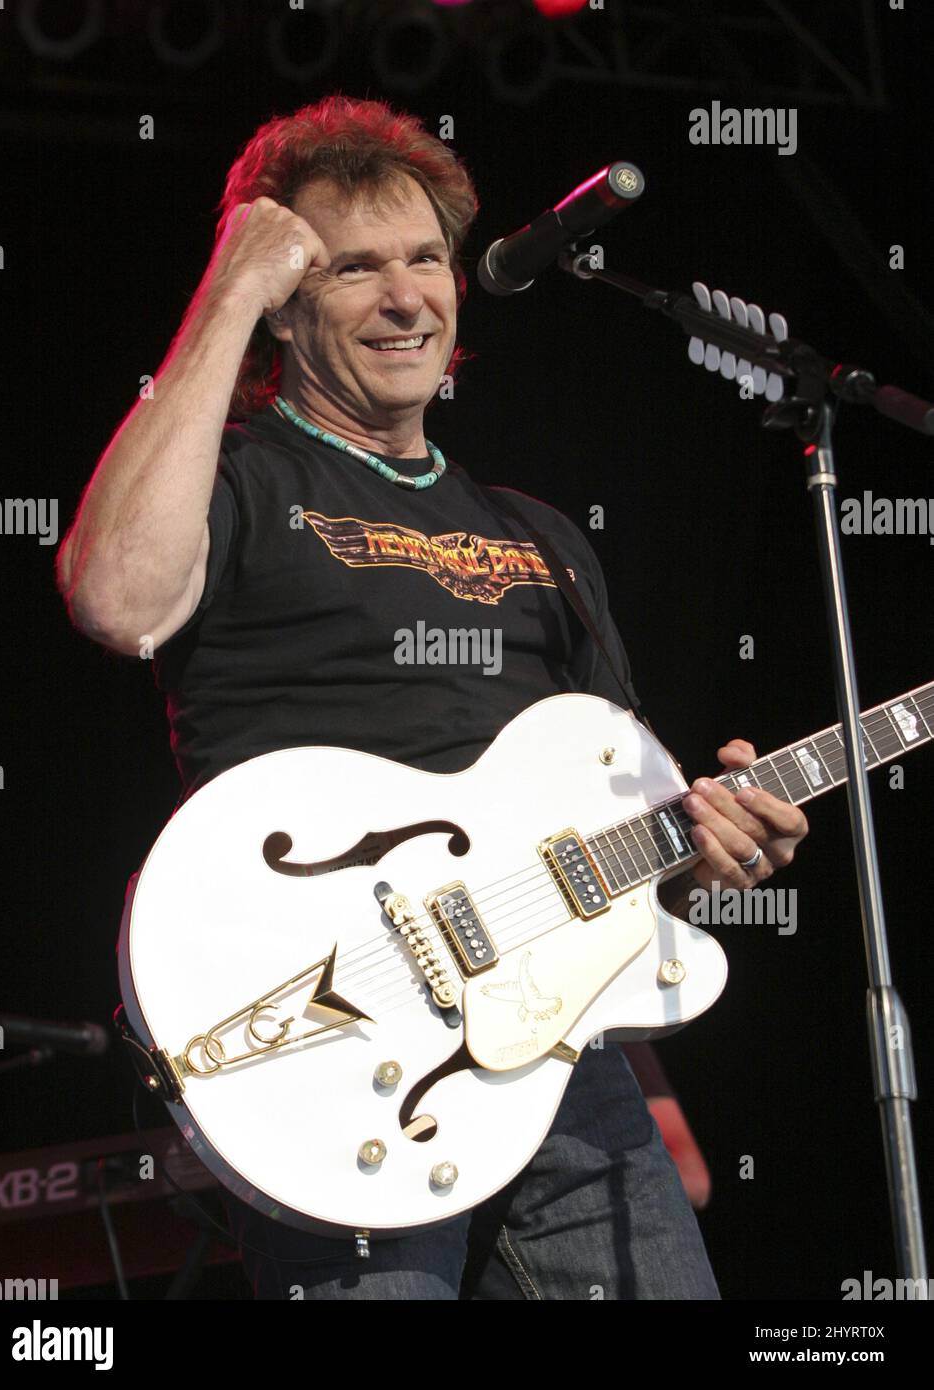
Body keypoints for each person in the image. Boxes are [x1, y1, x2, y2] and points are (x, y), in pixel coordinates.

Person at [56, 94, 808, 1300]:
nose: (406, 296)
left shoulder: (544, 536)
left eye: (424, 259)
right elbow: (117, 601)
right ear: (288, 303)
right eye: (354, 268)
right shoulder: (241, 473)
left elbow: (623, 795)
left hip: (562, 1052)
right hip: (343, 1021)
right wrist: (225, 293)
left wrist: (708, 842)